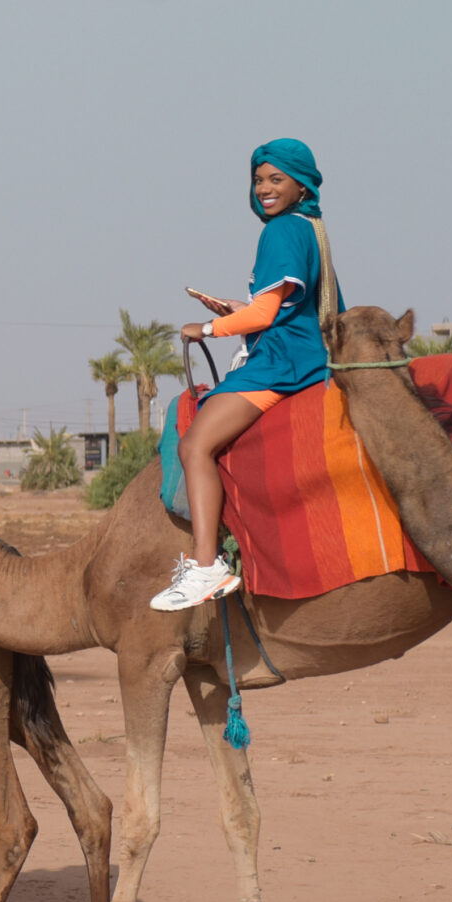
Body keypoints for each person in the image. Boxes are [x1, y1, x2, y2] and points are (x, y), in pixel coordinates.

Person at [151, 138, 338, 612]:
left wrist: (208, 328)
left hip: (281, 364)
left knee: (195, 444)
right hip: (297, 351)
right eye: (259, 180)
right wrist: (235, 309)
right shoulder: (307, 229)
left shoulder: (279, 233)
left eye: (277, 179)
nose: (265, 188)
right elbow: (274, 309)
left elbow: (264, 317)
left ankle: (205, 566)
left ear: (302, 184)